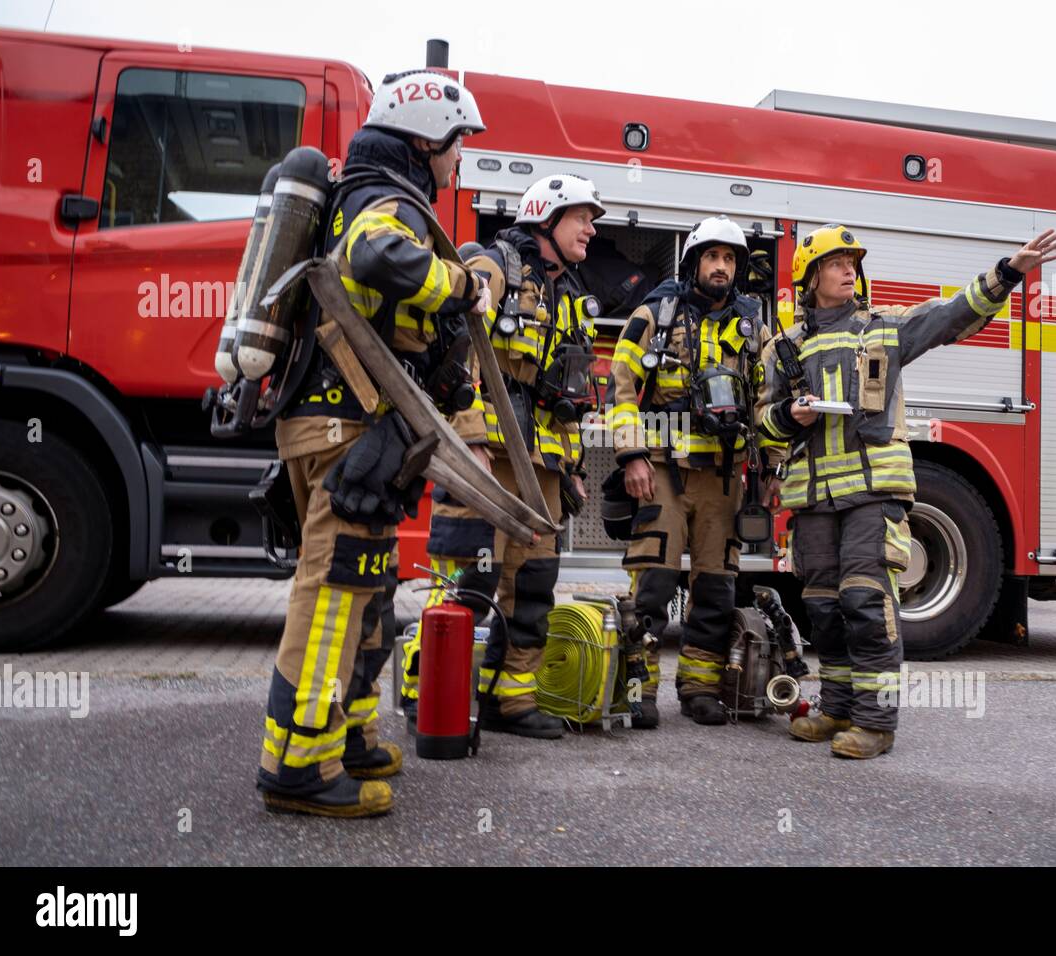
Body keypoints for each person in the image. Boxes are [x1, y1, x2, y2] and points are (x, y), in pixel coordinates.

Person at [257, 70, 492, 816]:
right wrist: (457, 286)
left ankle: (347, 735)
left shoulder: (367, 190)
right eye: (458, 146)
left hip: (340, 427)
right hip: (344, 428)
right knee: (331, 596)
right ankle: (298, 765)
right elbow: (375, 258)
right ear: (428, 140)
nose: (460, 162)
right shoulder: (387, 202)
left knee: (363, 590)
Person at [756, 224, 1056, 758]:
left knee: (866, 601)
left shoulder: (884, 330)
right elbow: (762, 422)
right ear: (810, 278)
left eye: (853, 262)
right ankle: (837, 709)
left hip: (874, 494)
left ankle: (875, 725)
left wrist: (1009, 271)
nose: (849, 269)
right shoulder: (784, 350)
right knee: (823, 608)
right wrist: (788, 413)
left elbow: (952, 314)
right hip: (813, 502)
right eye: (836, 263)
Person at [400, 174, 604, 738]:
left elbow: (570, 394)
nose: (591, 228)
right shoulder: (492, 270)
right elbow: (455, 355)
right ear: (545, 217)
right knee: (469, 581)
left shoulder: (570, 295)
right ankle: (427, 694)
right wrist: (468, 443)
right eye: (581, 216)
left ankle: (509, 701)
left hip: (542, 471)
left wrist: (574, 470)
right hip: (488, 460)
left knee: (533, 587)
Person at [608, 216, 783, 726]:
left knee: (715, 589)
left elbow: (768, 400)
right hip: (662, 470)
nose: (722, 267)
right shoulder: (656, 313)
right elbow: (621, 386)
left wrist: (770, 471)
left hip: (725, 479)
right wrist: (632, 455)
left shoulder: (755, 326)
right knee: (654, 584)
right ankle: (638, 688)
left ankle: (700, 687)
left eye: (730, 259)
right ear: (694, 263)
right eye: (713, 257)